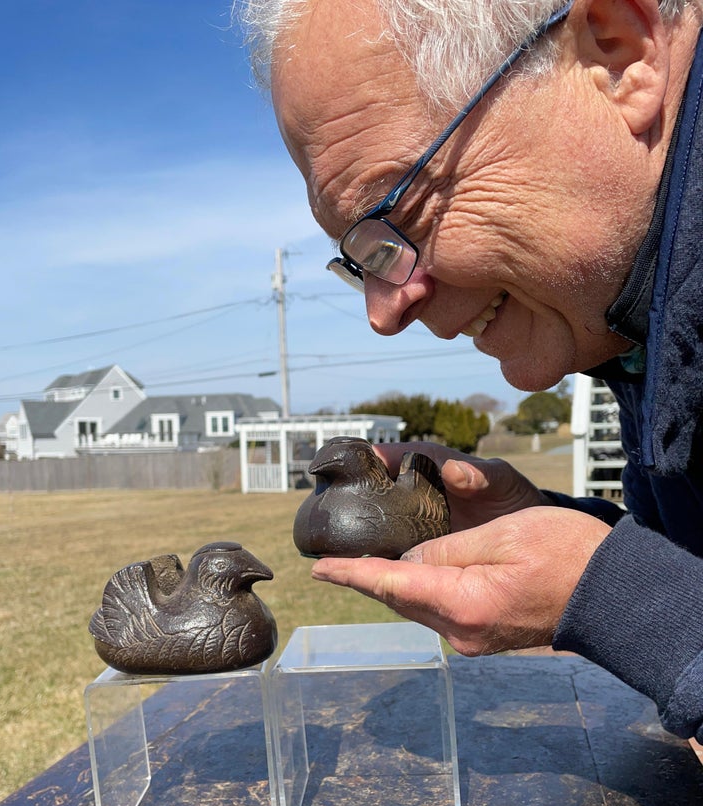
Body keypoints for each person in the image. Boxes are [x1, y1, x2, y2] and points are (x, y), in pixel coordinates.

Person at [237, 0, 703, 744]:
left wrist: (615, 591)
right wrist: (575, 544)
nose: (384, 313)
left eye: (395, 218)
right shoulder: (637, 317)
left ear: (620, 53)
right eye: (360, 262)